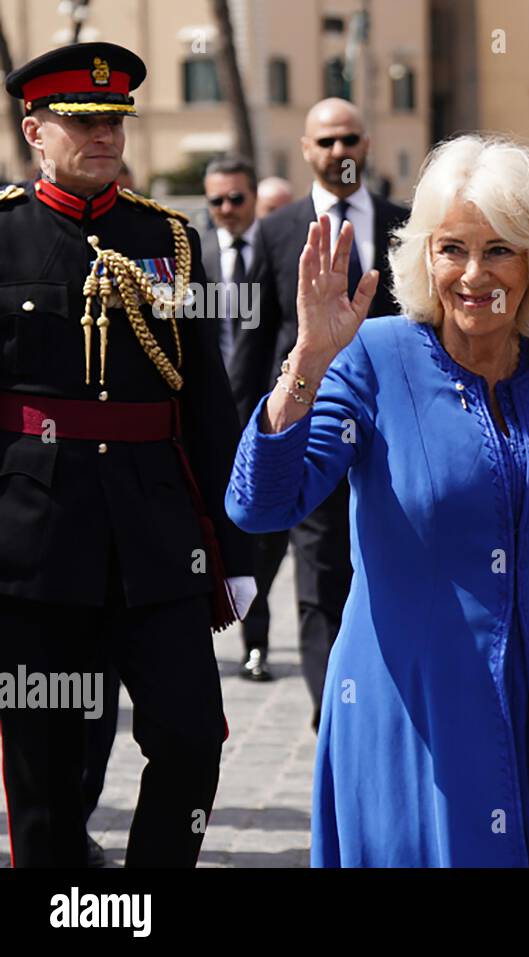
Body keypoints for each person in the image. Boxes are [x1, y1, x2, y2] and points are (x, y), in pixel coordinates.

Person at [224, 135, 529, 866]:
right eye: (452, 249)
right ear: (426, 257)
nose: (475, 275)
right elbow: (260, 505)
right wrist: (307, 361)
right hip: (411, 709)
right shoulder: (373, 358)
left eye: (500, 249)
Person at [0, 42, 253, 867]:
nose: (103, 134)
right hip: (34, 543)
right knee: (46, 773)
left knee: (190, 738)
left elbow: (207, 405)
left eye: (113, 120)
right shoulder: (2, 237)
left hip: (156, 539)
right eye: (82, 123)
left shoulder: (168, 238)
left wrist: (235, 548)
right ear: (36, 130)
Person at [230, 97, 408, 728]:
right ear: (305, 149)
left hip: (395, 436)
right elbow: (254, 341)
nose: (340, 151)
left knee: (389, 561)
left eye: (350, 139)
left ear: (368, 144)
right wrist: (244, 430)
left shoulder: (405, 226)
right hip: (312, 427)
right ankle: (331, 705)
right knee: (319, 573)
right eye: (326, 141)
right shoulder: (277, 232)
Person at [201, 154, 276, 681]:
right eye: (216, 201)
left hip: (263, 410)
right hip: (208, 417)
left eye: (236, 198)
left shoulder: (275, 249)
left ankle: (258, 640)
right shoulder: (193, 255)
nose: (227, 209)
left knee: (263, 536)